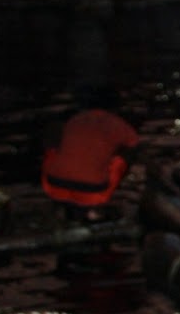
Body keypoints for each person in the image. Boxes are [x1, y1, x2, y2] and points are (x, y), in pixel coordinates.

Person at [40, 86, 139, 218]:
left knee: (56, 148)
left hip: (53, 186)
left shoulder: (74, 119)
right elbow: (133, 144)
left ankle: (65, 205)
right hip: (94, 193)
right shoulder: (118, 124)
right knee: (128, 152)